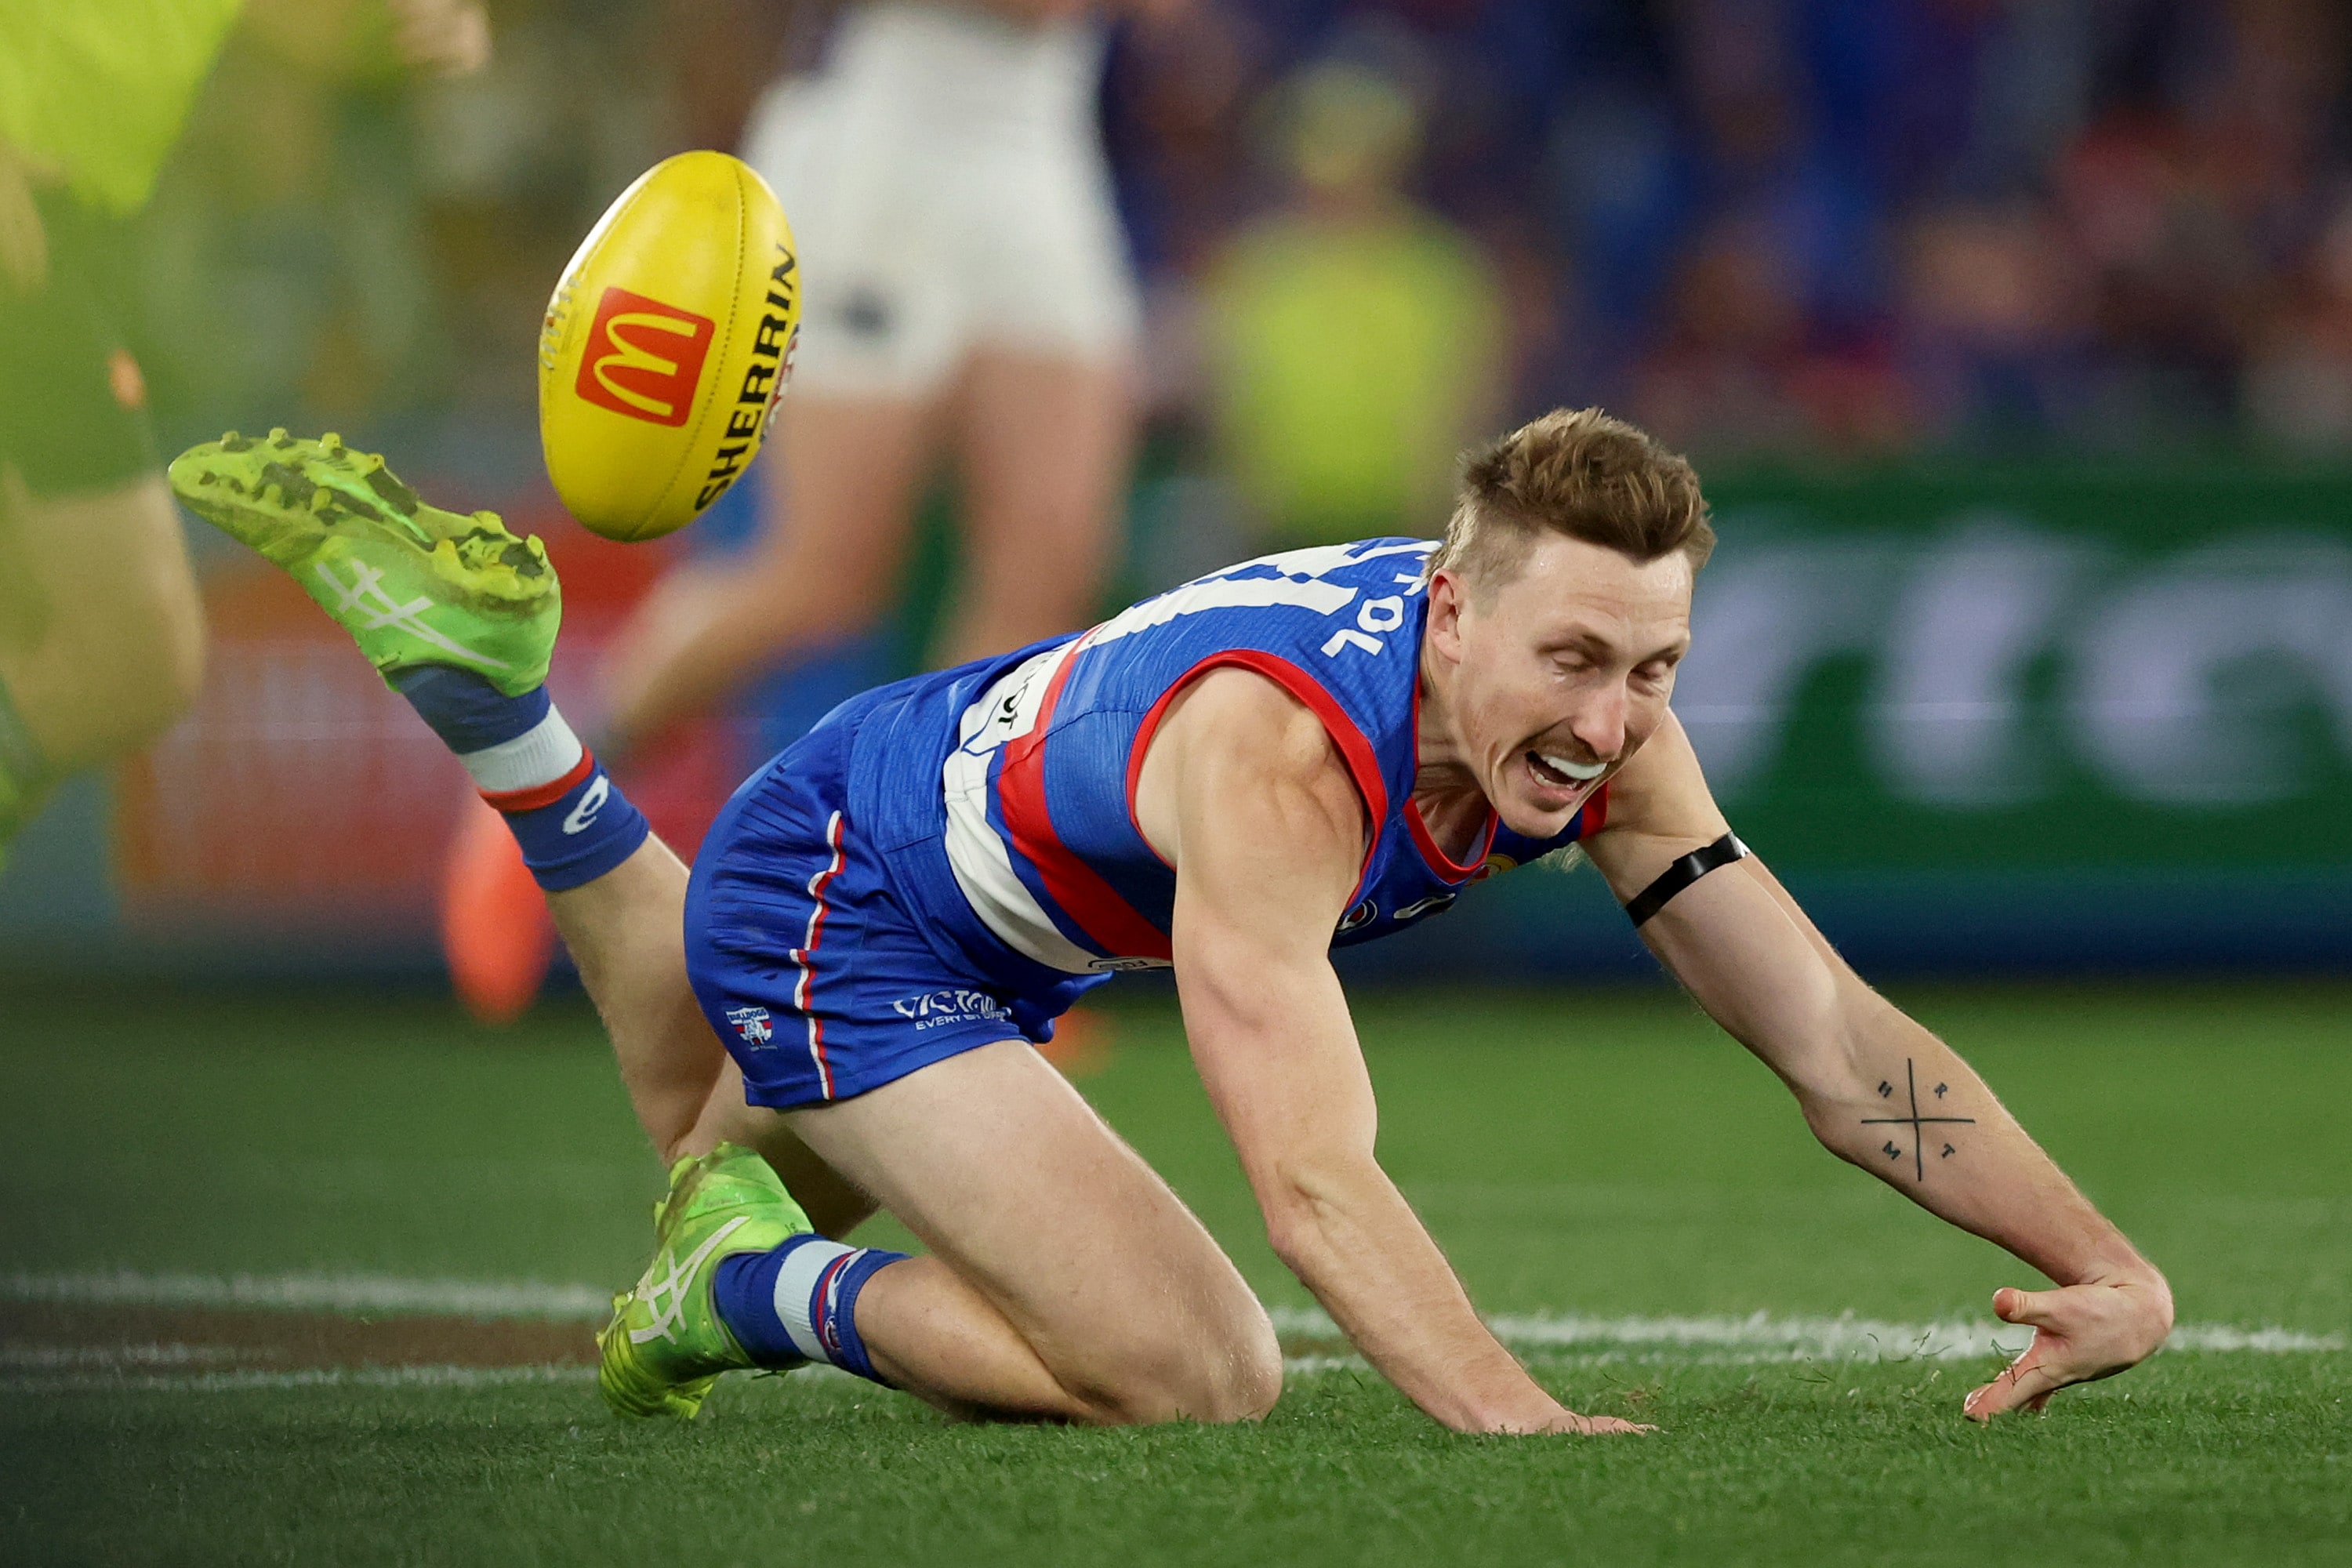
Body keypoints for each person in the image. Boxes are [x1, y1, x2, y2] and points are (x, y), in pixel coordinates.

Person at [169, 409, 2173, 1432]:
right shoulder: (1279, 765)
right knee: (1195, 1366)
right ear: (1454, 610)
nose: (1614, 721)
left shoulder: (1597, 736)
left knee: (699, 1104)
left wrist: (2107, 1266)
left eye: (1654, 668)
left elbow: (1828, 1036)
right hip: (859, 893)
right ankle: (749, 1293)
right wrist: (1513, 1417)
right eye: (1577, 655)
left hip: (978, 880)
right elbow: (1309, 1181)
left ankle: (506, 713)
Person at [443, 0, 1165, 1020]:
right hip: (883, 144)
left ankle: (955, 939)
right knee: (822, 575)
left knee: (1047, 571)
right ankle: (537, 791)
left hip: (1039, 133)